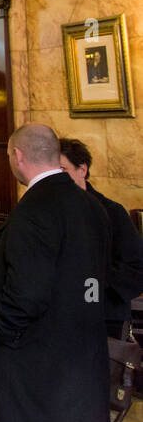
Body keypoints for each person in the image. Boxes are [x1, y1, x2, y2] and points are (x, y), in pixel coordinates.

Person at [0, 123, 110, 422]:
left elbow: (27, 293)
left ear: (17, 155)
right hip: (83, 368)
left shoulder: (35, 209)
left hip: (43, 380)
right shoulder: (92, 205)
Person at [58, 138, 143, 339]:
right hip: (62, 317)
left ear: (82, 170)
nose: (57, 180)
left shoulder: (112, 212)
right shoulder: (49, 213)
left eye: (63, 171)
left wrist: (90, 279)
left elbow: (136, 268)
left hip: (104, 317)